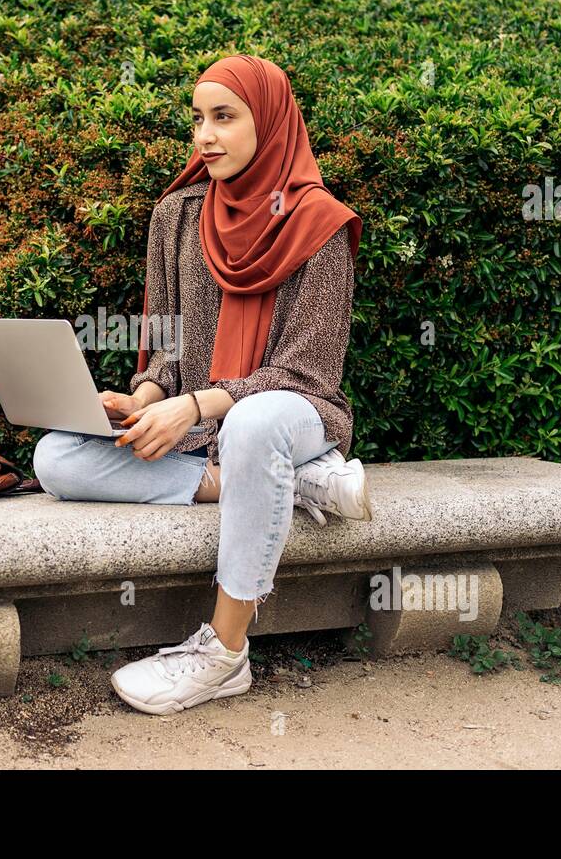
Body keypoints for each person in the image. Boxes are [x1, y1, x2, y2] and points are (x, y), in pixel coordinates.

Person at [32, 53, 373, 715]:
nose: (205, 137)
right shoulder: (178, 216)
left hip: (292, 415)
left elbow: (306, 374)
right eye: (197, 119)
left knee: (253, 426)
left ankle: (224, 652)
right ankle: (273, 480)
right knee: (57, 456)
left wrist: (197, 402)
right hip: (208, 427)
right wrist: (146, 399)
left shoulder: (319, 225)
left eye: (224, 117)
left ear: (269, 123)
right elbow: (163, 348)